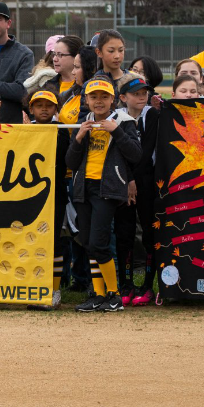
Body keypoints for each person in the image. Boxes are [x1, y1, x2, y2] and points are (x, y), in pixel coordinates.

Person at [66, 78, 141, 313]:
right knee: (89, 242)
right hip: (83, 189)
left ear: (113, 99)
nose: (99, 101)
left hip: (107, 189)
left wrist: (116, 132)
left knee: (99, 242)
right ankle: (99, 295)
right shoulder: (84, 122)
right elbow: (71, 161)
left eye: (104, 97)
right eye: (93, 97)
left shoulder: (123, 121)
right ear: (86, 100)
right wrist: (78, 139)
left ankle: (114, 294)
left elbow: (136, 155)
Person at [113, 72, 158, 306]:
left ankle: (147, 285)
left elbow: (144, 152)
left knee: (150, 233)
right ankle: (126, 284)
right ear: (123, 97)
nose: (142, 97)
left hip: (147, 181)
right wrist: (129, 179)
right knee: (124, 233)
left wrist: (136, 180)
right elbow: (120, 153)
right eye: (136, 94)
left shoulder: (153, 115)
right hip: (123, 180)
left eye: (144, 93)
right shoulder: (116, 118)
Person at [22, 89, 69, 311]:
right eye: (38, 105)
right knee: (28, 239)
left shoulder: (63, 130)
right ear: (30, 108)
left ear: (56, 109)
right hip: (26, 194)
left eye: (48, 105)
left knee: (54, 241)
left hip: (56, 193)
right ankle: (31, 287)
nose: (43, 109)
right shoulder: (22, 129)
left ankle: (54, 289)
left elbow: (65, 159)